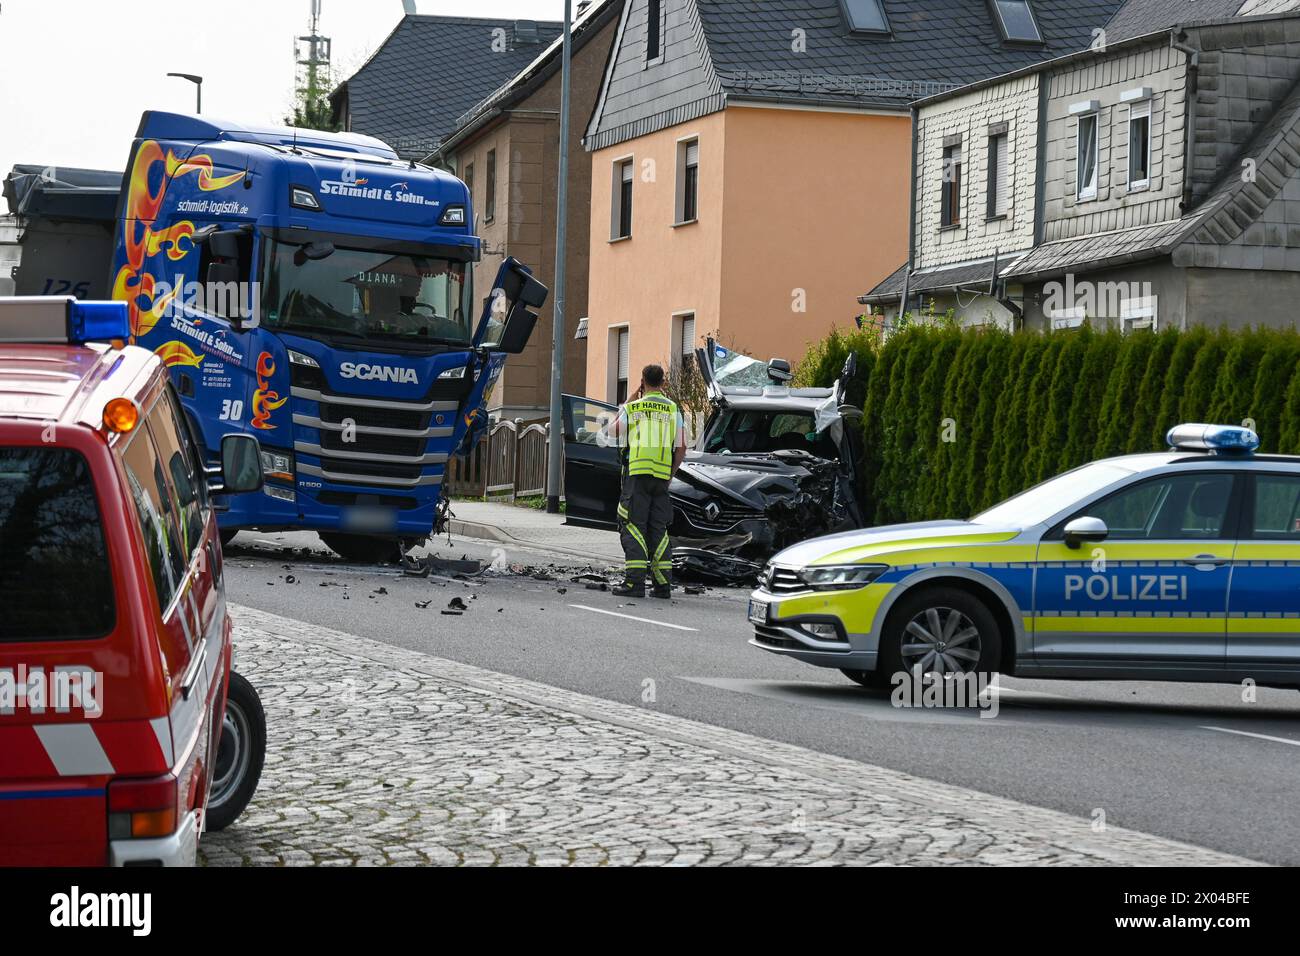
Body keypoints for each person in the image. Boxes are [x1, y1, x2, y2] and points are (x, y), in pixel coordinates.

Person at [603, 364, 686, 598]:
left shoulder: (634, 408)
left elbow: (612, 432)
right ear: (664, 382)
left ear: (642, 381)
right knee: (658, 529)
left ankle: (634, 584)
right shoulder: (673, 410)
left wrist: (629, 400)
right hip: (661, 478)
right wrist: (669, 474)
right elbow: (681, 448)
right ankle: (662, 586)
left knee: (633, 527)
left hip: (637, 476)